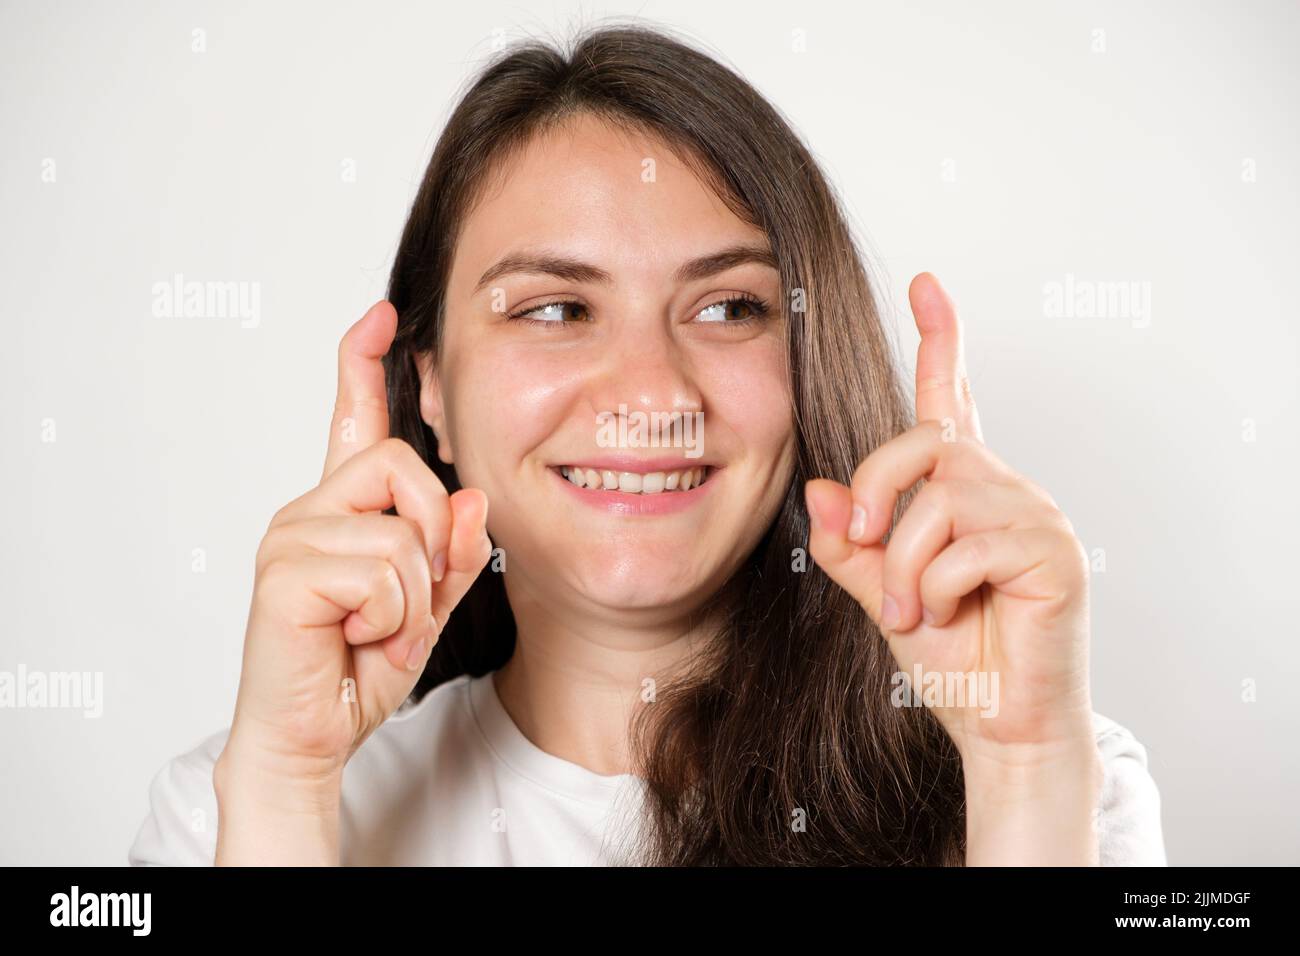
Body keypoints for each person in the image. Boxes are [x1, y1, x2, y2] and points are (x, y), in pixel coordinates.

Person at [129, 23, 1167, 867]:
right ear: (428, 385)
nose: (650, 392)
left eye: (725, 308)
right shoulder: (239, 808)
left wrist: (1023, 765)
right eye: (551, 308)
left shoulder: (1056, 782)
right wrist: (285, 783)